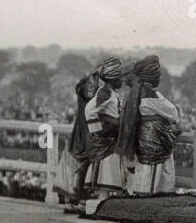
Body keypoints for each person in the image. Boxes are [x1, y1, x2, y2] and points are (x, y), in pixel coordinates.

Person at [117, 55, 180, 195]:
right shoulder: (152, 95)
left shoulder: (133, 95)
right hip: (156, 145)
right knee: (156, 181)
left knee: (142, 177)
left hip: (141, 144)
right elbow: (174, 114)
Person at [73, 57, 124, 203]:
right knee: (106, 179)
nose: (122, 80)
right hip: (106, 144)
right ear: (113, 78)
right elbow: (89, 110)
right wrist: (97, 131)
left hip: (109, 142)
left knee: (108, 179)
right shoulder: (106, 92)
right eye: (119, 77)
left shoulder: (109, 92)